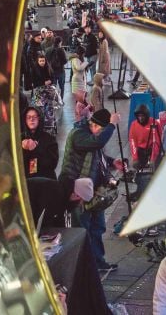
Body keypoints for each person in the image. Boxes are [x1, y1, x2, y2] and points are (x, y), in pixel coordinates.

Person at [59, 108, 120, 270]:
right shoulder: (78, 135)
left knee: (97, 227)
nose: (101, 134)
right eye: (101, 130)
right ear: (93, 125)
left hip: (94, 192)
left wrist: (112, 162)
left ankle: (98, 261)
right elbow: (97, 143)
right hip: (78, 193)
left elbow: (97, 155)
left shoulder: (91, 136)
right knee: (82, 229)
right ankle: (83, 266)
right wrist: (112, 125)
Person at [20, 105, 58, 178]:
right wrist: (23, 150)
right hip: (26, 181)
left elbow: (52, 164)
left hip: (45, 179)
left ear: (39, 119)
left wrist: (36, 149)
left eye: (34, 117)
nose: (31, 119)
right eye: (28, 117)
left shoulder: (49, 139)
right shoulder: (20, 138)